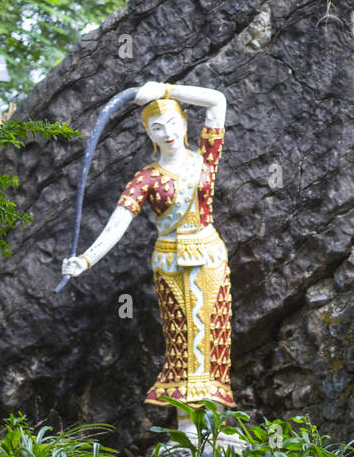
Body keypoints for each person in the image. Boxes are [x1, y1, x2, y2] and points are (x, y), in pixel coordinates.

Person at [60, 81, 235, 409]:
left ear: (184, 123)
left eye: (172, 123)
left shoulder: (205, 159)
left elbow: (216, 101)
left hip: (210, 255)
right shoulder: (147, 178)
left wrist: (164, 90)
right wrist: (84, 260)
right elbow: (117, 225)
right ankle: (189, 423)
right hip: (171, 261)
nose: (167, 132)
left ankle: (212, 424)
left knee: (215, 334)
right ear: (149, 135)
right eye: (156, 128)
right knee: (184, 340)